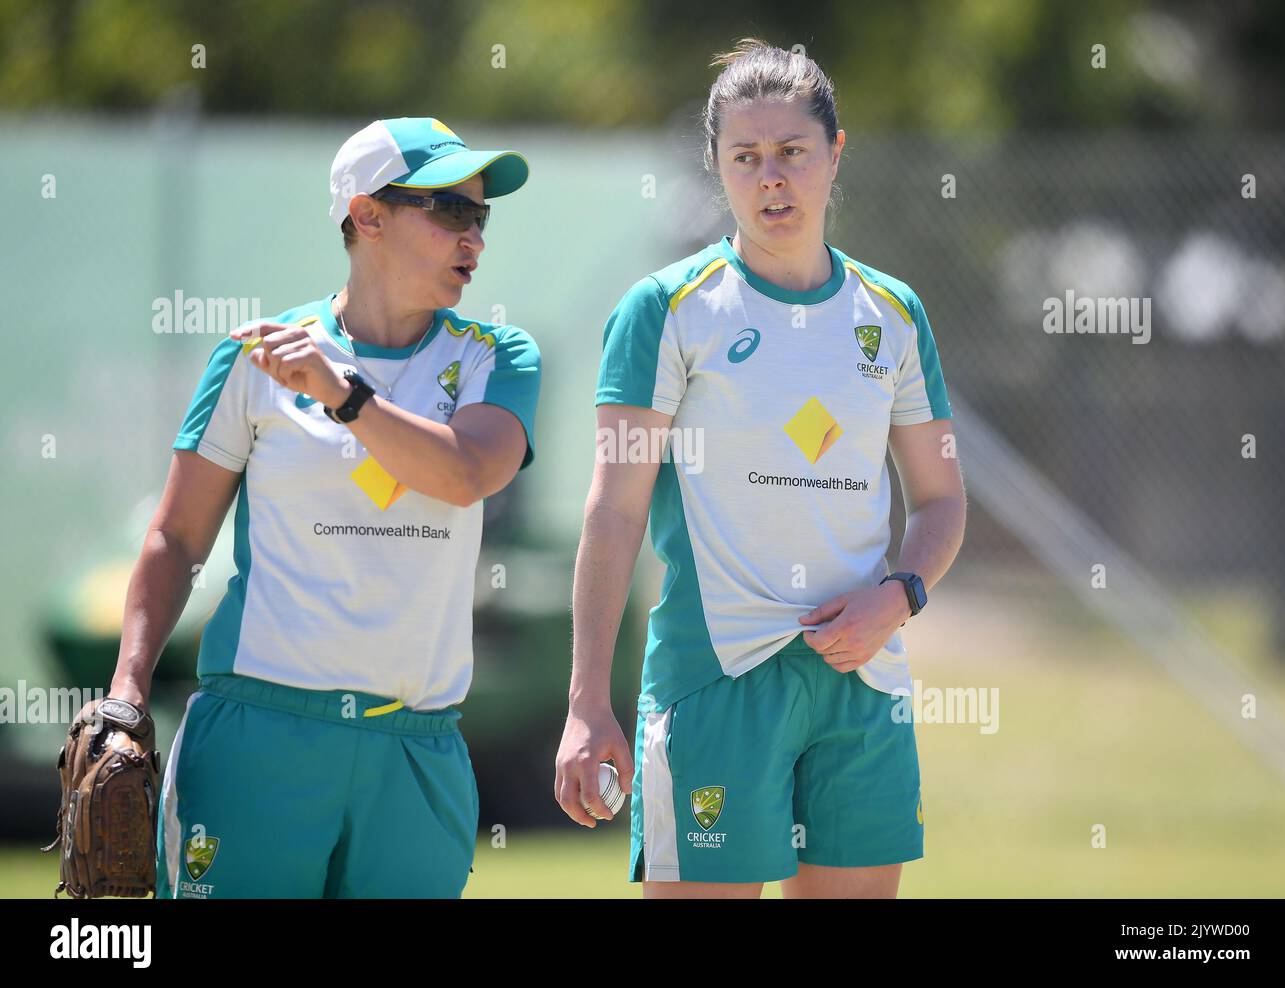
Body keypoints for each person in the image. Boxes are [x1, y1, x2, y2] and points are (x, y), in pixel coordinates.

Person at [555, 40, 966, 899]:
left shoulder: (892, 315)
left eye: (791, 153)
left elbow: (939, 498)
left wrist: (898, 598)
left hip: (862, 683)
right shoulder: (665, 310)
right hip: (717, 681)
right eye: (745, 158)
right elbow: (615, 512)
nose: (770, 178)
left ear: (835, 153)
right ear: (718, 167)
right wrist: (588, 699)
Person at [107, 116, 540, 898]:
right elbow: (175, 537)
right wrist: (127, 692)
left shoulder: (496, 354)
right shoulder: (255, 356)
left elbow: (467, 472)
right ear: (366, 214)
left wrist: (343, 394)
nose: (471, 236)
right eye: (448, 210)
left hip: (417, 744)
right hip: (258, 731)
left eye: (481, 215)